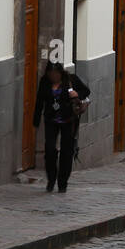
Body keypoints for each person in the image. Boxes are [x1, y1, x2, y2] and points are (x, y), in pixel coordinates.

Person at [31, 62, 90, 193]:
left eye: (55, 74)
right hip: (51, 120)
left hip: (68, 120)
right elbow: (40, 100)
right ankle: (51, 179)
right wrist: (35, 121)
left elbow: (86, 91)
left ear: (60, 73)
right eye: (51, 74)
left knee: (66, 152)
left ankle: (63, 182)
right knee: (50, 149)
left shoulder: (70, 79)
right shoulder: (44, 82)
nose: (53, 77)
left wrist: (76, 95)